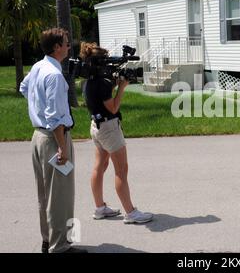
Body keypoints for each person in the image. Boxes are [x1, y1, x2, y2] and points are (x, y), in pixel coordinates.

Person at [20, 28, 87, 253]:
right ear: (57, 47)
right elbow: (56, 118)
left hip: (38, 137)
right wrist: (62, 148)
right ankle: (61, 247)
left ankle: (48, 241)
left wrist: (36, 106)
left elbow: (24, 87)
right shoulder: (55, 75)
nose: (69, 46)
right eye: (67, 43)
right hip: (53, 138)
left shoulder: (39, 66)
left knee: (45, 194)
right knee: (61, 196)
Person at [81, 42, 153, 223]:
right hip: (109, 128)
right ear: (100, 64)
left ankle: (99, 208)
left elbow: (103, 97)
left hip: (96, 126)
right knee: (121, 170)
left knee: (100, 166)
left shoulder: (89, 82)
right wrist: (122, 87)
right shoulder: (102, 84)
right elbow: (113, 107)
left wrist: (114, 84)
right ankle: (131, 213)